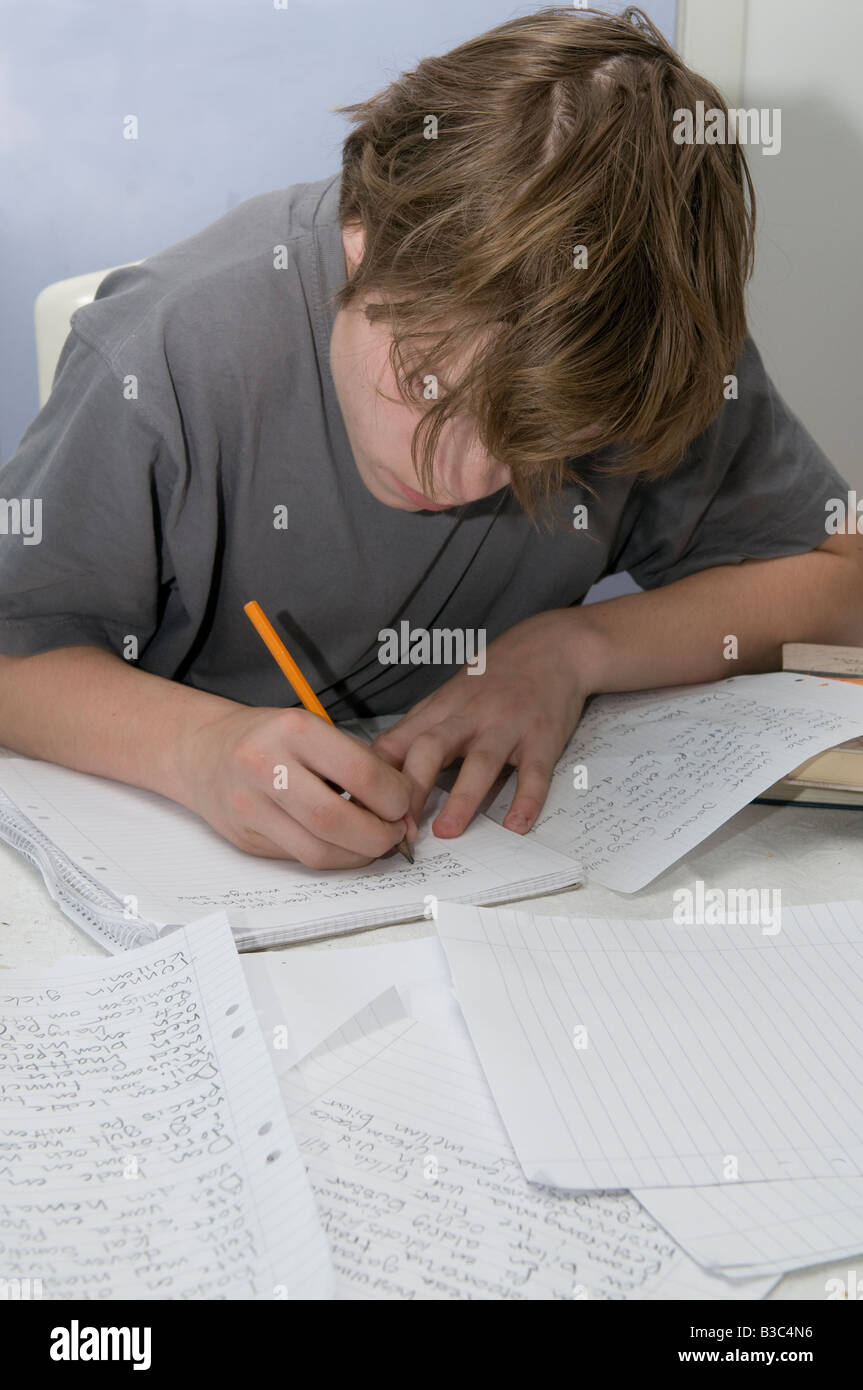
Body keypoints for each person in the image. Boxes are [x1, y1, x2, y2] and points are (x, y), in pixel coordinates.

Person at [0, 7, 860, 869]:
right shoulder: (166, 352)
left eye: (540, 443)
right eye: (426, 388)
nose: (464, 477)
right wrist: (197, 748)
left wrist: (570, 651)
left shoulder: (629, 351)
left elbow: (840, 581)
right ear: (362, 237)